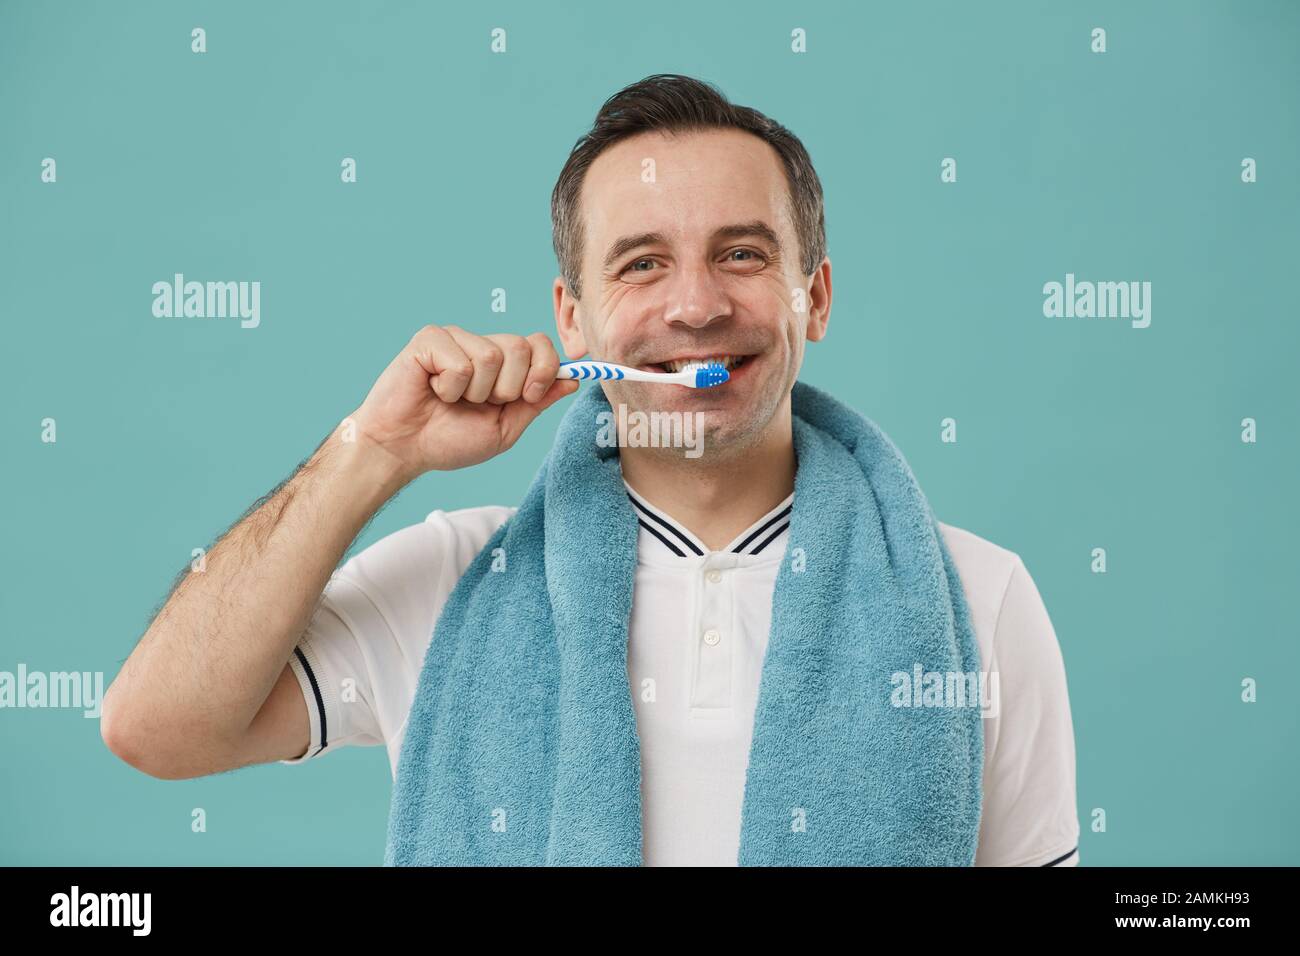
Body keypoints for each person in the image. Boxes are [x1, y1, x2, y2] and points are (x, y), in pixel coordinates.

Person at [102, 74, 1079, 867]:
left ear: (813, 297)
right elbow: (157, 724)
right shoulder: (454, 578)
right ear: (573, 318)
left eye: (739, 252)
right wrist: (375, 451)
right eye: (642, 263)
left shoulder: (974, 601)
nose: (694, 306)